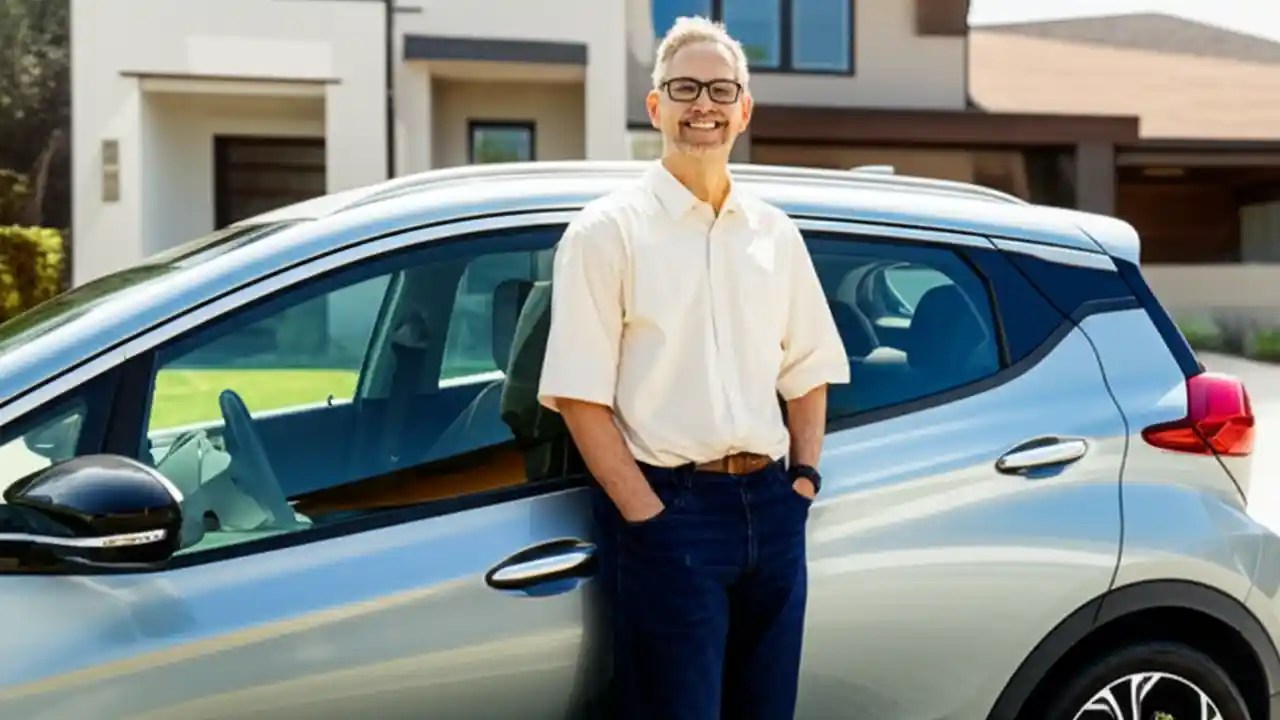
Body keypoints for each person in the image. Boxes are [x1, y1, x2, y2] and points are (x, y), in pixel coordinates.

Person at [537, 15, 850, 720]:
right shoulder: (606, 232)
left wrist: (801, 480)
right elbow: (579, 396)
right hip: (668, 512)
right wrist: (646, 515)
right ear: (656, 107)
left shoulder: (774, 232)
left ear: (744, 108)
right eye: (684, 88)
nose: (702, 105)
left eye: (719, 89)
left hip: (772, 509)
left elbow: (808, 367)